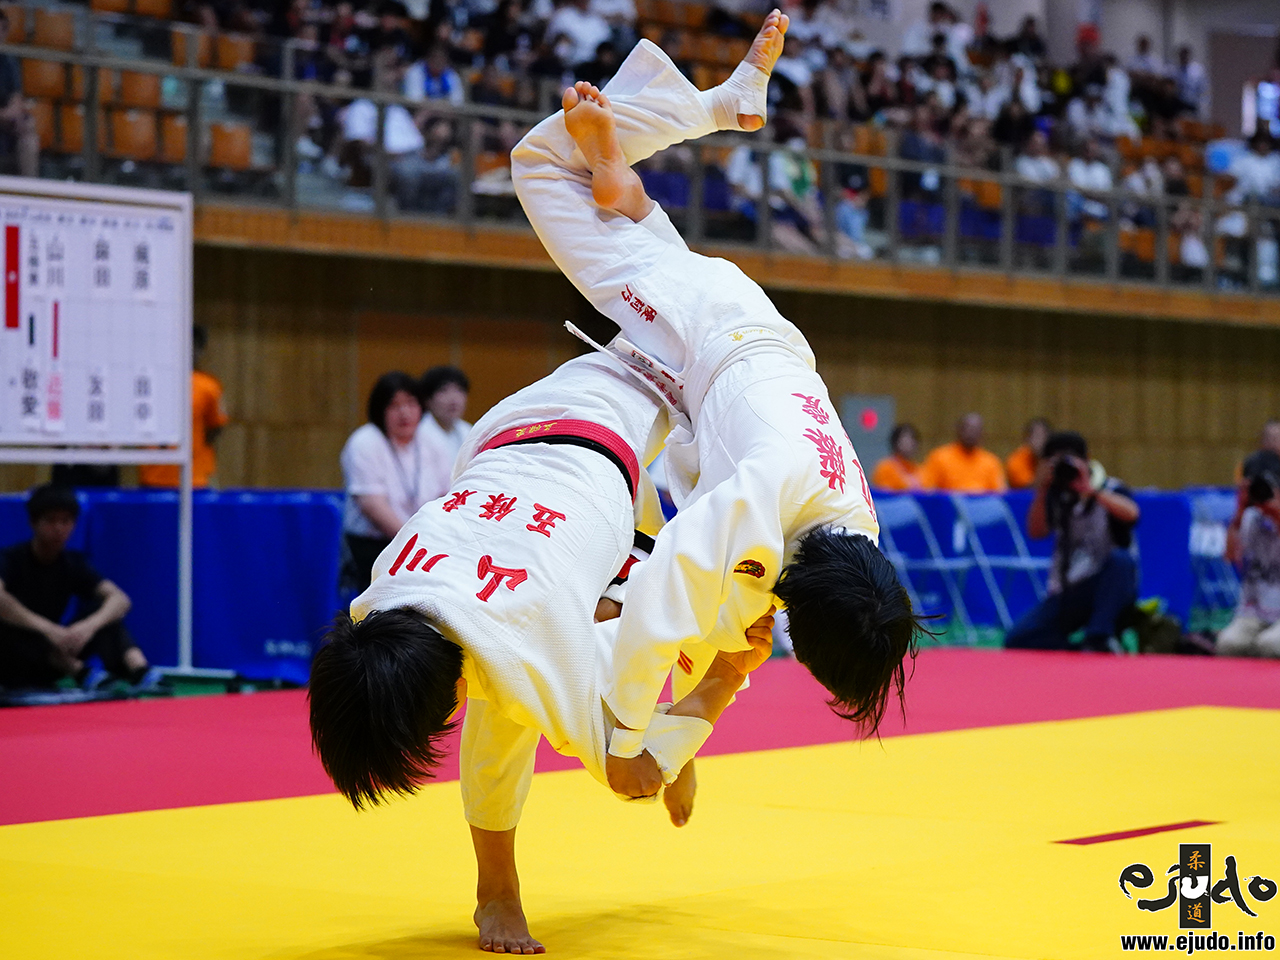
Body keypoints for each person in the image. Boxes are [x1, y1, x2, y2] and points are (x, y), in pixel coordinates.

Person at [508, 15, 926, 800]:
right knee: (536, 164)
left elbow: (736, 587)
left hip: (752, 332)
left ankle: (626, 184)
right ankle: (711, 111)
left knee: (735, 624)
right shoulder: (766, 497)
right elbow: (665, 589)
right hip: (700, 331)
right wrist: (625, 733)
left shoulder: (859, 531)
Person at [311, 353, 773, 953]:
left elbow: (629, 778)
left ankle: (497, 890)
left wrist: (725, 679)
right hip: (510, 440)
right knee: (560, 649)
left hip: (625, 429)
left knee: (531, 701)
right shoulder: (379, 595)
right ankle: (497, 891)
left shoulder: (522, 649)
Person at [0, 485, 160, 691]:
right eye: (50, 521)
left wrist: (87, 627)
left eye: (65, 521)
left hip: (54, 652)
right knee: (10, 622)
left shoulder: (73, 563)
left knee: (102, 610)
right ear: (33, 523)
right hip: (12, 658)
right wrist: (49, 630)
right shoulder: (10, 559)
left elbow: (120, 599)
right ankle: (79, 672)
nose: (59, 528)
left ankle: (139, 670)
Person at [1004, 431, 1140, 652]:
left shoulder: (1111, 488)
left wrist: (1092, 491)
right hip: (1072, 589)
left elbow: (1133, 514)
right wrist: (1042, 490)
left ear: (1086, 461)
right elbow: (1036, 532)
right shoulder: (1056, 495)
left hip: (1109, 587)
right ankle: (1082, 648)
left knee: (1121, 561)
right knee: (1017, 639)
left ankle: (1098, 636)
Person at [339, 371, 451, 593]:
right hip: (374, 545)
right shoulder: (365, 442)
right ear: (380, 411)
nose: (405, 413)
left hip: (425, 541)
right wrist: (412, 543)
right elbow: (372, 505)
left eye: (411, 404)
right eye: (394, 406)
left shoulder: (432, 440)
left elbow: (447, 495)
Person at [138, 325, 231, 489]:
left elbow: (217, 426)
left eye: (192, 347)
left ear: (200, 350)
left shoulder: (209, 387)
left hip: (195, 478)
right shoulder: (150, 383)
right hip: (154, 477)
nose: (186, 352)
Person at [1219, 450, 1280, 658]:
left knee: (1270, 645)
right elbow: (1230, 556)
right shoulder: (1249, 519)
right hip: (1253, 614)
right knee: (1228, 644)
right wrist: (1240, 510)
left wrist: (1276, 513)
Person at [919, 413, 1006, 493]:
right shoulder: (939, 457)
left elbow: (999, 495)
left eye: (976, 430)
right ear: (959, 430)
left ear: (982, 434)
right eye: (968, 428)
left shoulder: (991, 461)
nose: (971, 433)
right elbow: (927, 491)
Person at [418, 365, 472, 465]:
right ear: (428, 400)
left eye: (459, 390)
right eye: (444, 390)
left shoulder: (468, 430)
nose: (453, 399)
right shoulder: (418, 433)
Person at [872, 423, 925, 491]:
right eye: (906, 439)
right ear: (896, 442)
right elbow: (884, 496)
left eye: (913, 439)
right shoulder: (885, 468)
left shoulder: (920, 470)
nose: (910, 443)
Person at [1005, 416, 1051, 489]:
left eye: (1043, 436)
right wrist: (1041, 458)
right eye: (1036, 436)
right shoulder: (1016, 459)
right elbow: (1028, 489)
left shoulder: (1055, 458)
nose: (1040, 440)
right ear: (1027, 439)